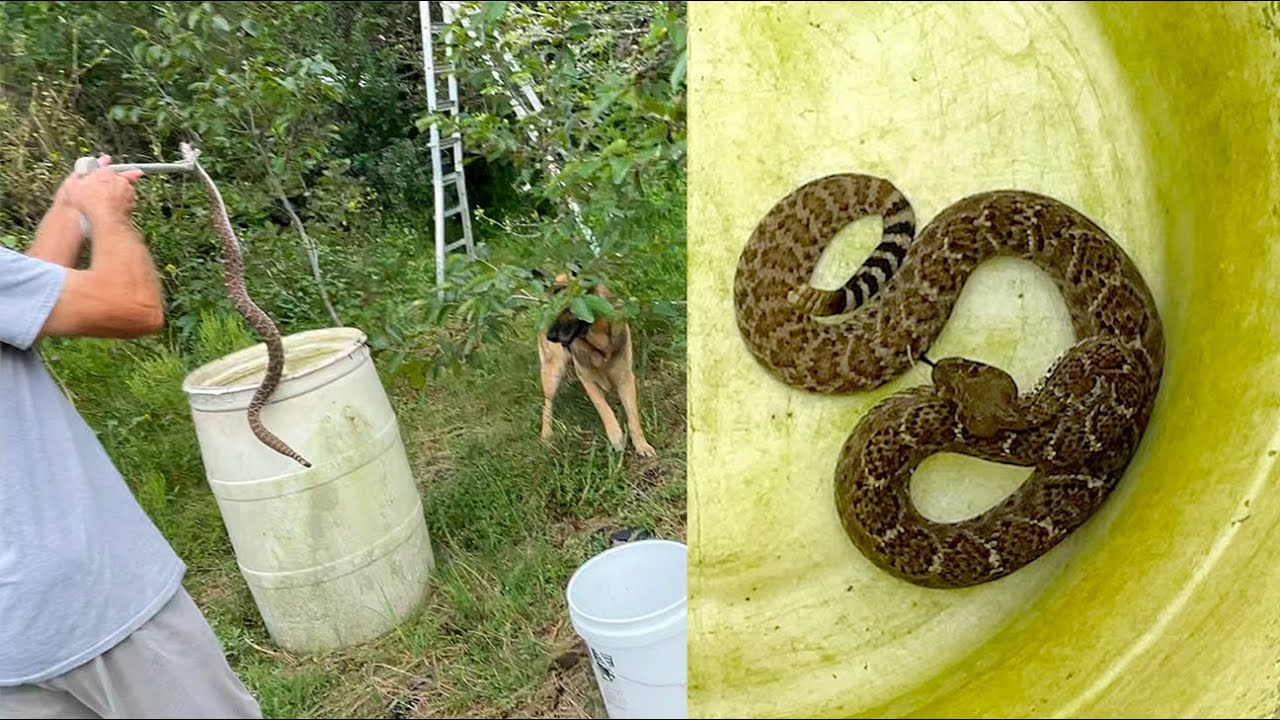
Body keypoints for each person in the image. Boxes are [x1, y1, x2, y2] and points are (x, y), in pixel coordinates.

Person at [0, 157, 262, 719]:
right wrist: (110, 216)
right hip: (92, 601)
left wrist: (72, 205)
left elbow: (25, 306)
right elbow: (134, 306)